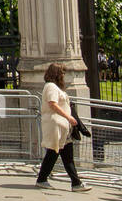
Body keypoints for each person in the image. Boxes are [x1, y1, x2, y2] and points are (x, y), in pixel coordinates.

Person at [36, 63, 89, 191]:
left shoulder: (55, 87)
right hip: (57, 125)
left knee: (63, 155)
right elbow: (53, 104)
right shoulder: (51, 87)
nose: (64, 76)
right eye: (62, 73)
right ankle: (44, 179)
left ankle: (75, 183)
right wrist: (68, 117)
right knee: (54, 152)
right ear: (56, 74)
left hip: (62, 126)